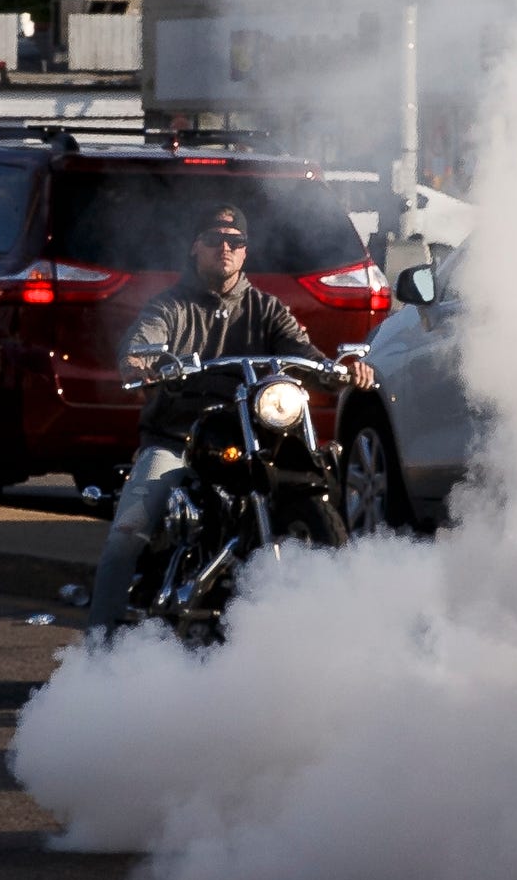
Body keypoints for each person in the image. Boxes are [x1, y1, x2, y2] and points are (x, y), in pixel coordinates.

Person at [84, 202, 375, 633]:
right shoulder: (171, 307)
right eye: (215, 239)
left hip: (249, 437)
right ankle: (98, 647)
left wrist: (340, 369)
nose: (226, 247)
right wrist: (137, 362)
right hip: (178, 439)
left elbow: (301, 351)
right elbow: (145, 338)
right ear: (194, 248)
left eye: (235, 241)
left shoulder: (266, 308)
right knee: (130, 531)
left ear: (245, 252)